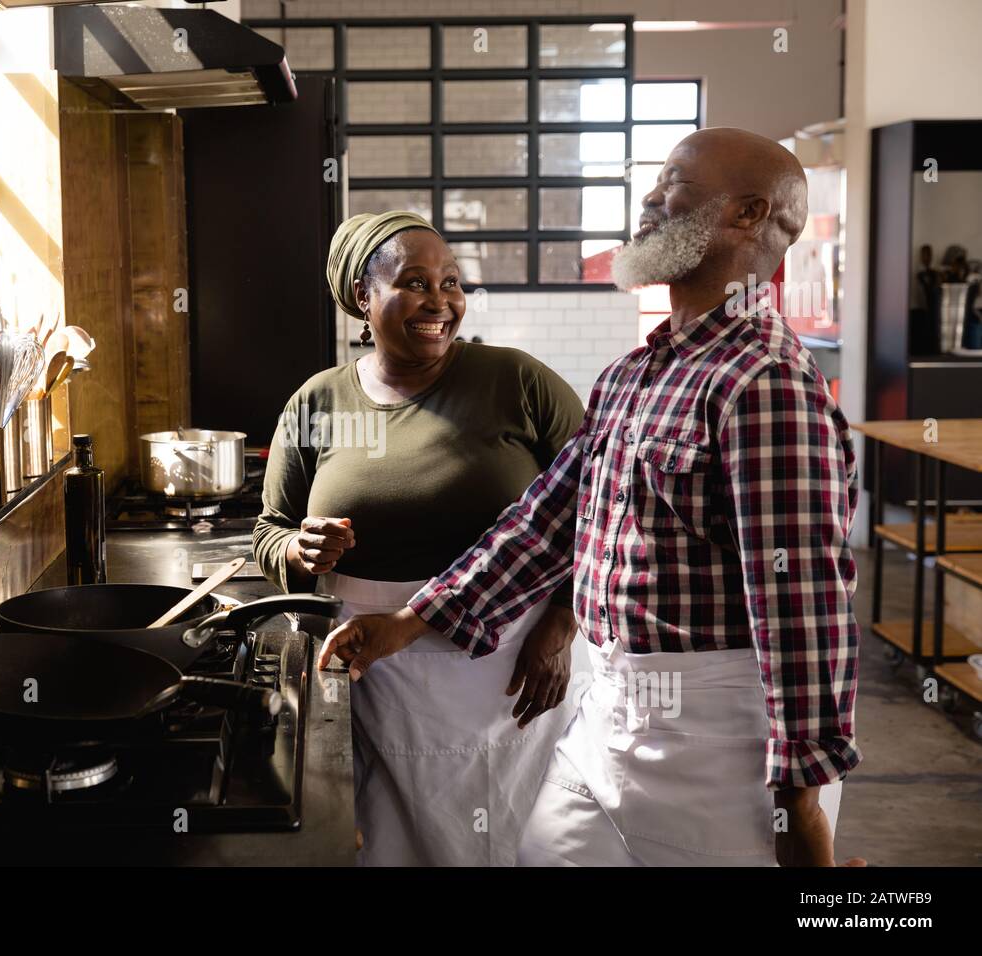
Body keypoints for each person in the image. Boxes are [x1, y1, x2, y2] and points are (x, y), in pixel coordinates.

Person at [319, 130, 865, 867]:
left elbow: (800, 601)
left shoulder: (764, 384)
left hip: (720, 745)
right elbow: (545, 523)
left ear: (747, 214)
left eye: (674, 182)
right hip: (605, 713)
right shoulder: (635, 375)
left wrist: (801, 797)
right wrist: (411, 622)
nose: (648, 198)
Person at [253, 210, 591, 866]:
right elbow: (268, 532)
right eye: (414, 282)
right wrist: (299, 550)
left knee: (513, 840)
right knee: (392, 843)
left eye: (452, 282)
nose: (441, 301)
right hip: (369, 665)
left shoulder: (517, 383)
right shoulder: (317, 404)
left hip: (508, 660)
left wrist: (563, 617)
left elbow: (600, 506)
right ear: (362, 296)